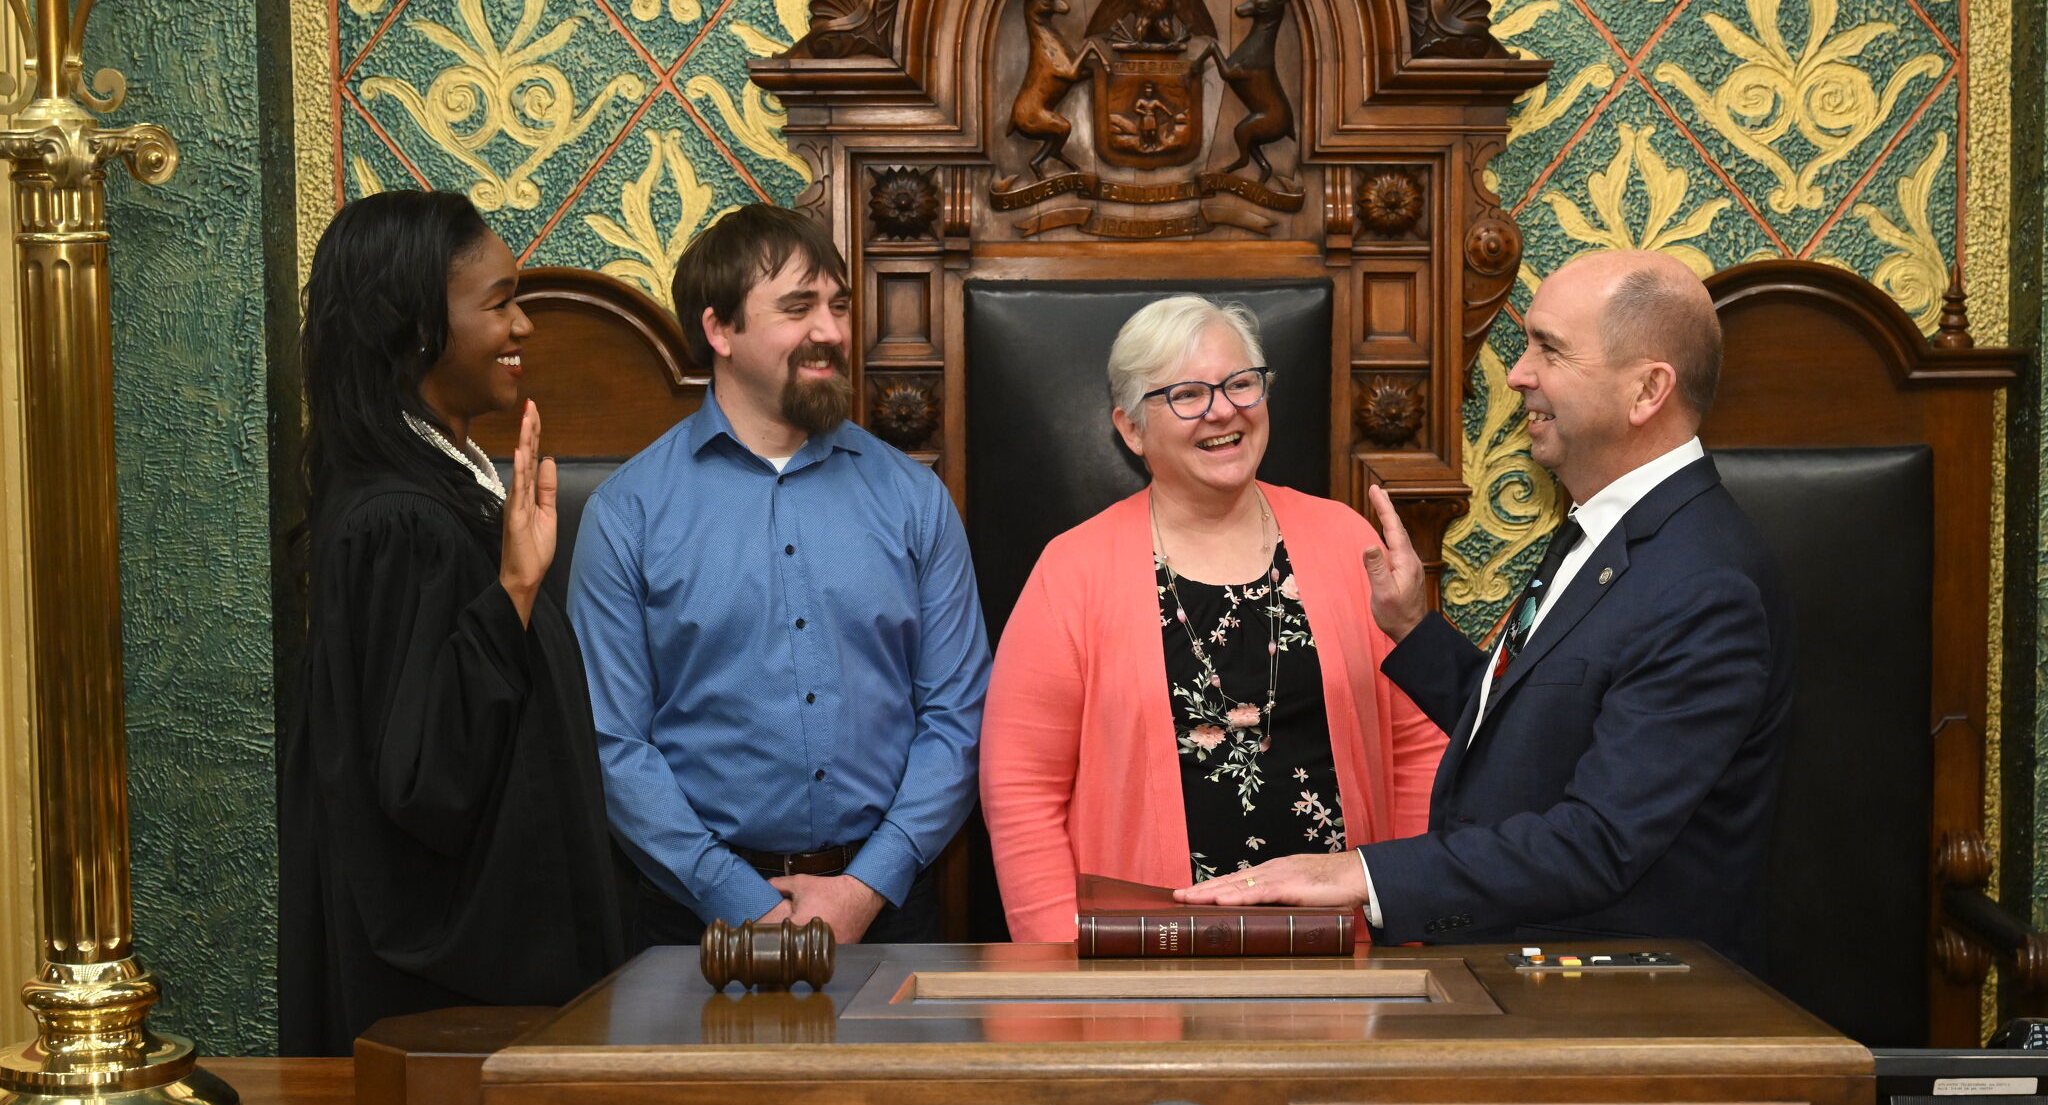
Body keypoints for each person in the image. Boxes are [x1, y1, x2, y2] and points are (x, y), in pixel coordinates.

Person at [1177, 249, 1795, 971]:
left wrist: (1360, 873)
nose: (1518, 373)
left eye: (1549, 350)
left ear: (1646, 390)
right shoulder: (1609, 529)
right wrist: (1414, 629)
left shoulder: (1705, 585)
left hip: (1614, 1019)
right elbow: (1539, 728)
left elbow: (1600, 841)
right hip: (1519, 982)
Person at [569, 204, 989, 948]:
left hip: (888, 914)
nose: (829, 330)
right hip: (693, 922)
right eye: (798, 308)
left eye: (837, 305)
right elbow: (613, 742)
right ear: (719, 330)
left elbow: (958, 714)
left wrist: (864, 888)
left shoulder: (913, 499)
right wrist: (733, 893)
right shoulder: (628, 513)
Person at [981, 295, 1446, 943]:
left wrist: (1409, 907)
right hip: (1147, 965)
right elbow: (1022, 792)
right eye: (1186, 394)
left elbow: (1419, 748)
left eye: (1240, 383)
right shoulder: (1072, 570)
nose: (1223, 409)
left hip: (1348, 950)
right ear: (1131, 428)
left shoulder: (1346, 541)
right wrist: (1061, 961)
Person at [280, 191, 624, 1054]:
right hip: (446, 1024)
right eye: (500, 302)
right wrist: (510, 592)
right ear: (414, 327)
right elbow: (425, 781)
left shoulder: (446, 495)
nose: (525, 329)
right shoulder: (402, 524)